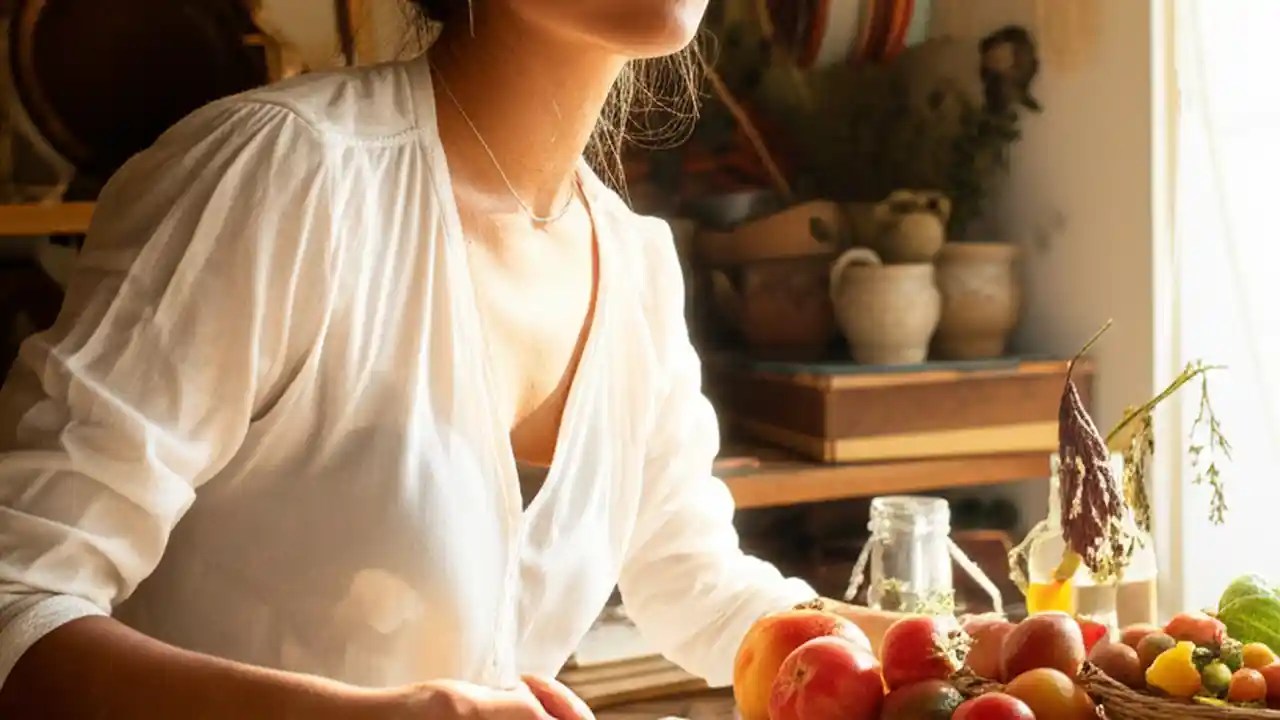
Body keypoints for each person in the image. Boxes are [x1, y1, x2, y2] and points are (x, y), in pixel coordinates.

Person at [0, 1, 902, 717]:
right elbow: (18, 603)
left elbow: (701, 587)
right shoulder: (284, 177)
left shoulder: (633, 265)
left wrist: (940, 649)